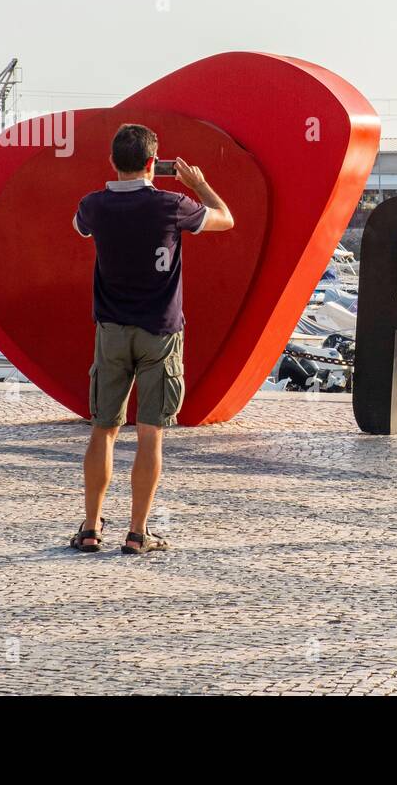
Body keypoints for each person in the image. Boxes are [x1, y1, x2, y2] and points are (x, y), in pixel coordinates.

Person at [68, 124, 235, 554]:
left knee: (103, 429)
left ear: (113, 162)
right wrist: (199, 185)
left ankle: (90, 528)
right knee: (150, 433)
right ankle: (138, 532)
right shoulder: (172, 204)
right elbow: (225, 219)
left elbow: (78, 225)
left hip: (110, 331)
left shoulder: (95, 206)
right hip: (160, 331)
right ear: (151, 163)